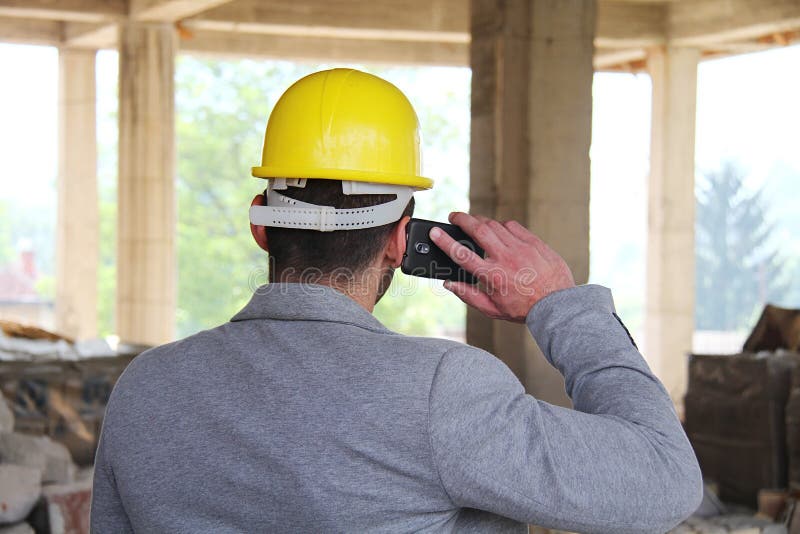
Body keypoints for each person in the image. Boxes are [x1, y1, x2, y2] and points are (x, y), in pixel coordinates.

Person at [90, 68, 702, 533]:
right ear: (399, 239)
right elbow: (667, 479)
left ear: (261, 226)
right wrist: (559, 306)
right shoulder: (440, 392)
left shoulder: (144, 388)